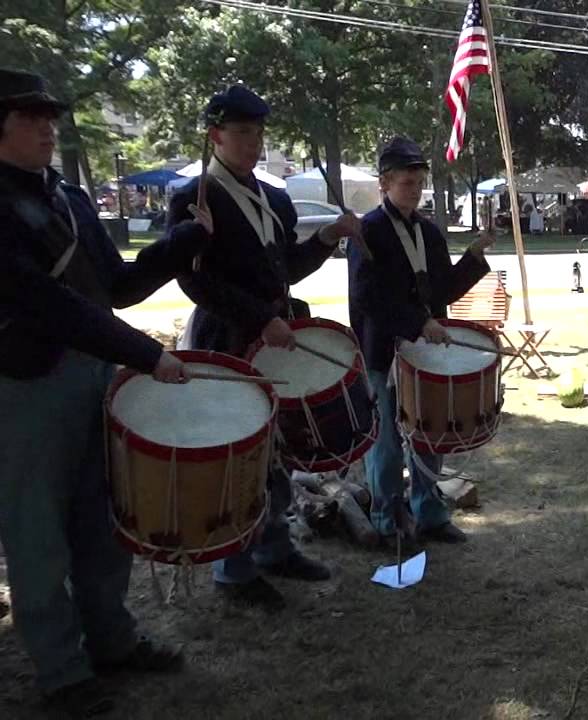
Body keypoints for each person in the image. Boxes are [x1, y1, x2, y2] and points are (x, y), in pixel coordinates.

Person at [0, 68, 205, 716]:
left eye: (50, 115)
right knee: (36, 535)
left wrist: (185, 239)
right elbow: (44, 302)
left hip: (96, 375)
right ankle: (62, 670)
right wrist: (148, 355)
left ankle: (112, 639)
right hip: (26, 385)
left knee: (103, 522)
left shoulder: (69, 197)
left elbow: (116, 286)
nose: (47, 126)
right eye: (30, 115)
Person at [168, 85, 360, 612]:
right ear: (216, 136)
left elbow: (283, 270)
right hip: (227, 335)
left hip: (272, 332)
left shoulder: (272, 198)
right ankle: (234, 570)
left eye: (258, 133)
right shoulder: (194, 196)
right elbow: (194, 281)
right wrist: (259, 317)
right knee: (237, 450)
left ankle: (274, 546)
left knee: (278, 444)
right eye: (242, 133)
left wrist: (324, 242)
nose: (253, 143)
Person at [348, 136, 494, 545]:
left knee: (430, 434)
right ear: (385, 183)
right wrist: (416, 323)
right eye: (406, 182)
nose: (414, 188)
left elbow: (441, 291)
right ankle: (387, 519)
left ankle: (429, 513)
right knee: (388, 444)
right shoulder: (369, 230)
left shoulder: (429, 232)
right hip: (382, 351)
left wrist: (474, 257)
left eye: (418, 181)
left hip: (422, 352)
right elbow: (365, 297)